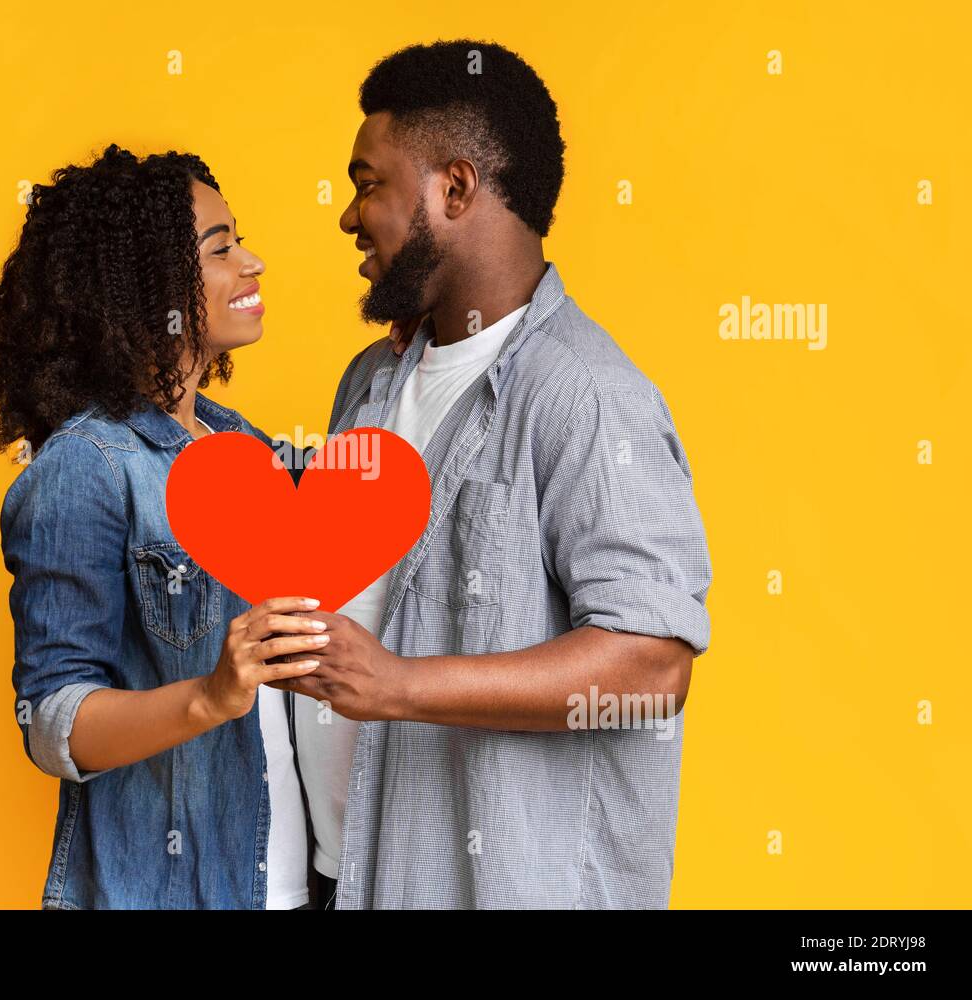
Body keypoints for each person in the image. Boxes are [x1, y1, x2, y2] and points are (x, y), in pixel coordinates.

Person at [273, 40, 714, 909]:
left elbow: (653, 668)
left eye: (369, 183)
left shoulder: (584, 396)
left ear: (456, 188)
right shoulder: (369, 382)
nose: (348, 216)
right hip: (343, 879)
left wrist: (399, 685)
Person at [0, 145, 330, 909]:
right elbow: (55, 721)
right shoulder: (87, 467)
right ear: (146, 287)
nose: (253, 262)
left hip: (290, 886)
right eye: (223, 248)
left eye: (242, 240)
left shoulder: (253, 451)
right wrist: (211, 694)